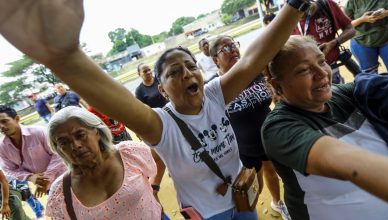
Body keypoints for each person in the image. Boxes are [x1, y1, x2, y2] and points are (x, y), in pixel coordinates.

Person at [0, 0, 317, 218]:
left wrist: (295, 5)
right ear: (162, 90)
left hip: (243, 195)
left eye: (190, 66)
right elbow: (114, 99)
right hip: (210, 213)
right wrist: (65, 58)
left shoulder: (215, 94)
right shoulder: (160, 125)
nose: (186, 74)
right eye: (173, 72)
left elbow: (252, 60)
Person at [262, 35, 388, 220]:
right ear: (277, 86)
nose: (322, 73)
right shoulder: (278, 129)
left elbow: (375, 87)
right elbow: (344, 162)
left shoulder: (348, 94)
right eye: (304, 70)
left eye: (322, 61)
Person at [209, 35, 290, 220]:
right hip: (244, 146)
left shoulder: (253, 72)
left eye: (233, 45)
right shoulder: (215, 88)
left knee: (273, 173)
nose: (233, 50)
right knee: (253, 186)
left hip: (269, 136)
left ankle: (277, 203)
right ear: (215, 60)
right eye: (225, 49)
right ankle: (248, 214)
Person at [45, 106, 163, 219]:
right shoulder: (60, 193)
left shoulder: (128, 154)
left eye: (80, 135)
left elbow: (159, 156)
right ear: (58, 149)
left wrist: (155, 188)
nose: (76, 146)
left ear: (96, 132)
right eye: (64, 142)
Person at [0, 105, 67, 198]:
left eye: (4, 121)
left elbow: (58, 153)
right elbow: (9, 169)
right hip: (48, 188)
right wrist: (30, 177)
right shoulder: (2, 147)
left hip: (66, 178)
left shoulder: (38, 132)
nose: (1, 126)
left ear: (17, 119)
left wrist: (45, 179)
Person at [292, 0, 356, 83]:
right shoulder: (286, 18)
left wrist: (333, 43)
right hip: (307, 75)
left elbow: (351, 30)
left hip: (332, 68)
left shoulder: (327, 5)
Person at [135, 63, 167, 204]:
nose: (148, 72)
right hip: (156, 124)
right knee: (159, 151)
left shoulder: (159, 81)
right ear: (139, 74)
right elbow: (140, 110)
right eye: (145, 71)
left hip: (171, 116)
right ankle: (152, 189)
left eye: (149, 70)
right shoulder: (140, 91)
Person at [344, 0, 388, 74]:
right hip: (362, 42)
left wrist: (386, 13)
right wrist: (362, 19)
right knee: (370, 76)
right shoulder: (352, 2)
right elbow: (346, 25)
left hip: (387, 39)